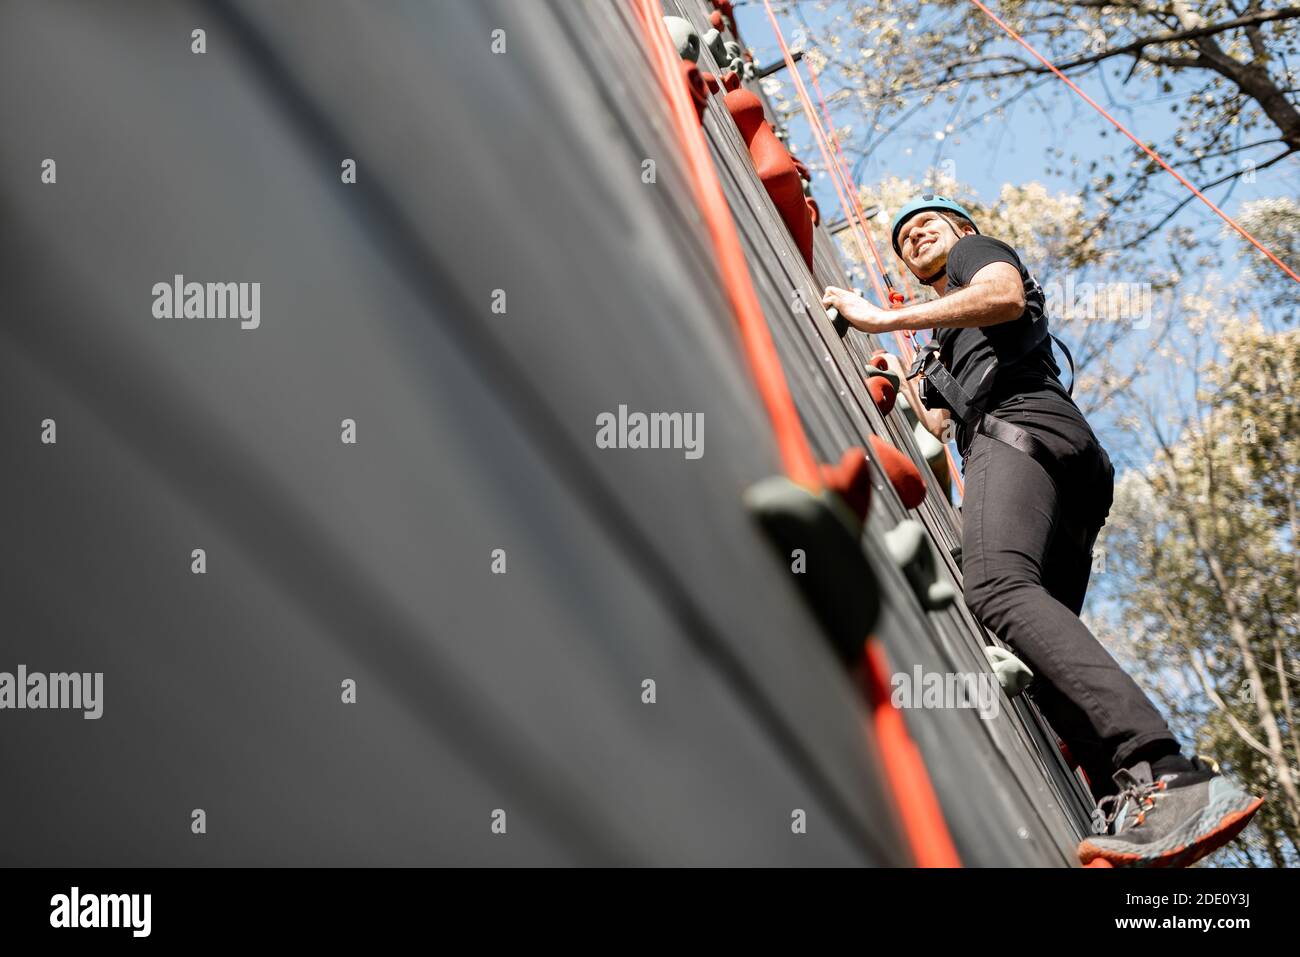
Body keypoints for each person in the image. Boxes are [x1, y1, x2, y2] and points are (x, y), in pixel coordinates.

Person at [822, 194, 1263, 867]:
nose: (915, 235)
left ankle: (1169, 771)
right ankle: (1135, 793)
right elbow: (939, 421)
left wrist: (882, 317)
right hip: (1054, 451)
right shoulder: (950, 337)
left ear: (964, 233)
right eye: (904, 236)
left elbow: (999, 295)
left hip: (1021, 429)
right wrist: (899, 372)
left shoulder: (979, 256)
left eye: (928, 224)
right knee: (1039, 648)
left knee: (996, 587)